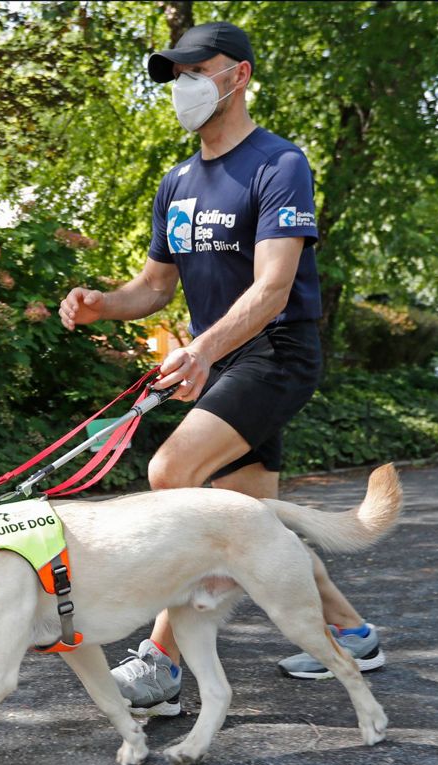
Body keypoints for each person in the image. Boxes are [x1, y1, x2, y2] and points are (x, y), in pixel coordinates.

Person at [58, 22, 384, 715]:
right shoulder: (177, 181)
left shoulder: (278, 164)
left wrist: (203, 350)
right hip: (223, 359)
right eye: (175, 75)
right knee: (251, 523)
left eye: (194, 72)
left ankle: (161, 665)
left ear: (237, 76)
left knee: (171, 477)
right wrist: (102, 305)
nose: (182, 88)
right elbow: (153, 289)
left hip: (277, 353)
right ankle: (352, 633)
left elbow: (270, 291)